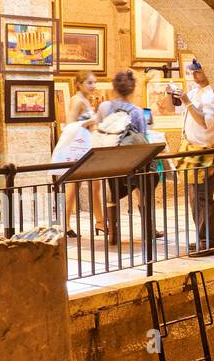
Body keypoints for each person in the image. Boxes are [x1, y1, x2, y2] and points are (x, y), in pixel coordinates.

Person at [173, 58, 214, 255]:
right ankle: (209, 238)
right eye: (191, 72)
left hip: (204, 152)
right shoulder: (196, 92)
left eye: (198, 72)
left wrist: (186, 102)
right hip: (192, 149)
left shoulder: (213, 94)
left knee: (202, 198)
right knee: (196, 198)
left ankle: (209, 241)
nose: (194, 75)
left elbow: (208, 124)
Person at [94, 69, 149, 244]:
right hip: (132, 161)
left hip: (110, 158)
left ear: (114, 88)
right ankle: (148, 227)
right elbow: (142, 135)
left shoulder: (104, 107)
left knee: (112, 195)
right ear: (133, 89)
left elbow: (98, 128)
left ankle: (113, 233)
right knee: (144, 187)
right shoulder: (137, 112)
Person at [51, 70, 100, 235]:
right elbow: (71, 124)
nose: (93, 86)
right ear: (79, 84)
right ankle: (65, 224)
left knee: (88, 184)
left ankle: (98, 221)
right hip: (77, 148)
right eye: (89, 83)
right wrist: (90, 121)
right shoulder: (77, 100)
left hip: (86, 146)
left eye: (94, 82)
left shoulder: (86, 100)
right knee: (74, 184)